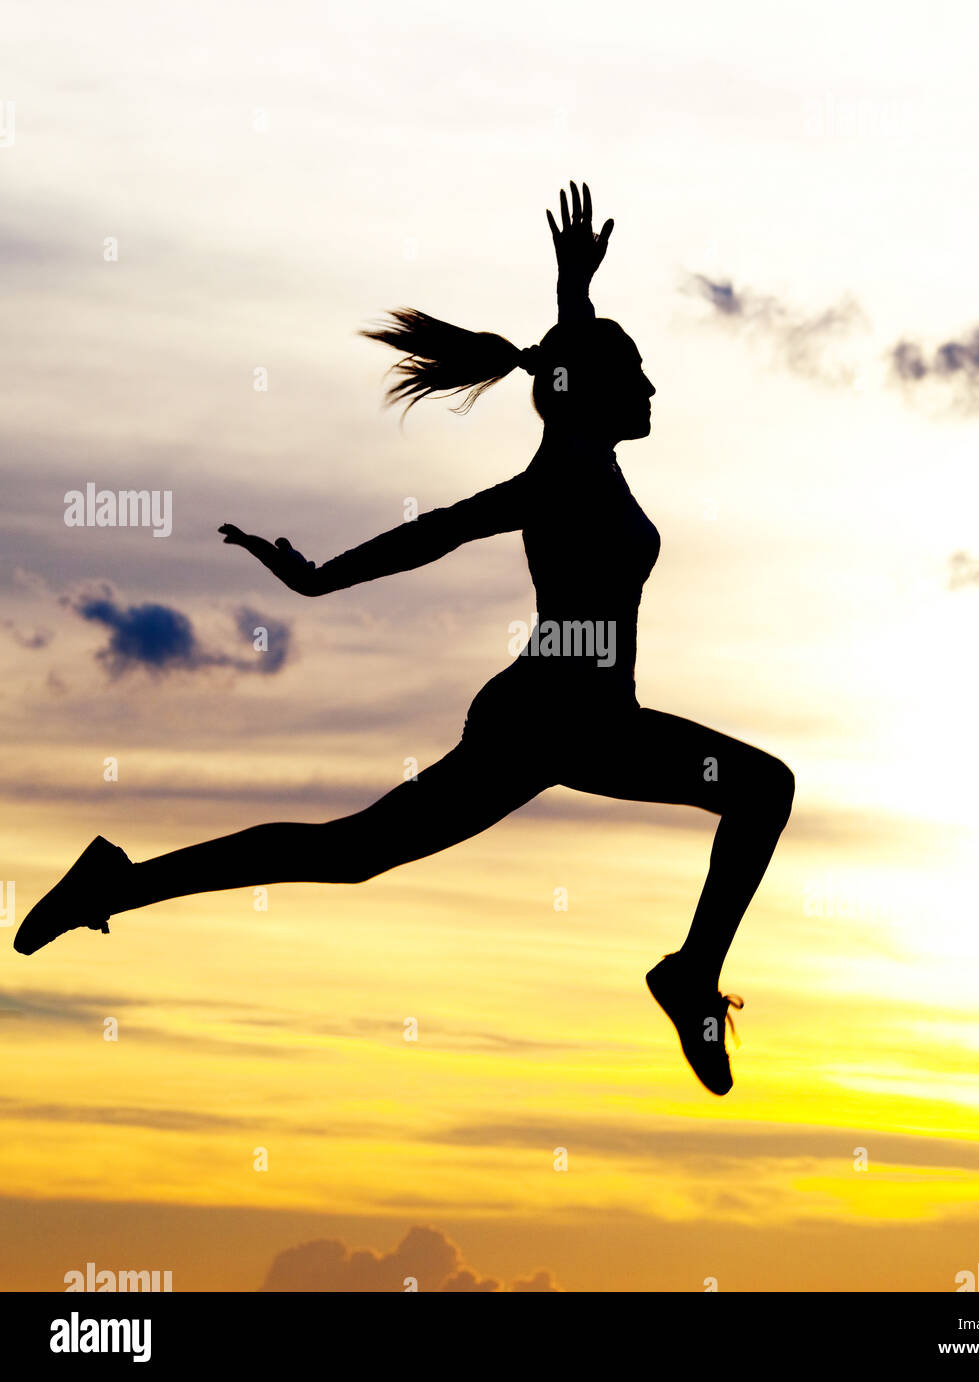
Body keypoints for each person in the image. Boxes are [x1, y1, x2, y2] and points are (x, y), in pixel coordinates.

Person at [15, 184, 794, 1096]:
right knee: (762, 789)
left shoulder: (588, 459)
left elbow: (567, 371)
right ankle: (689, 976)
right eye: (640, 376)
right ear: (601, 393)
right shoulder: (561, 475)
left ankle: (113, 885)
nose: (655, 388)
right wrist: (319, 578)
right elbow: (442, 529)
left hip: (572, 719)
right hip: (555, 718)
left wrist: (573, 292)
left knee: (349, 855)